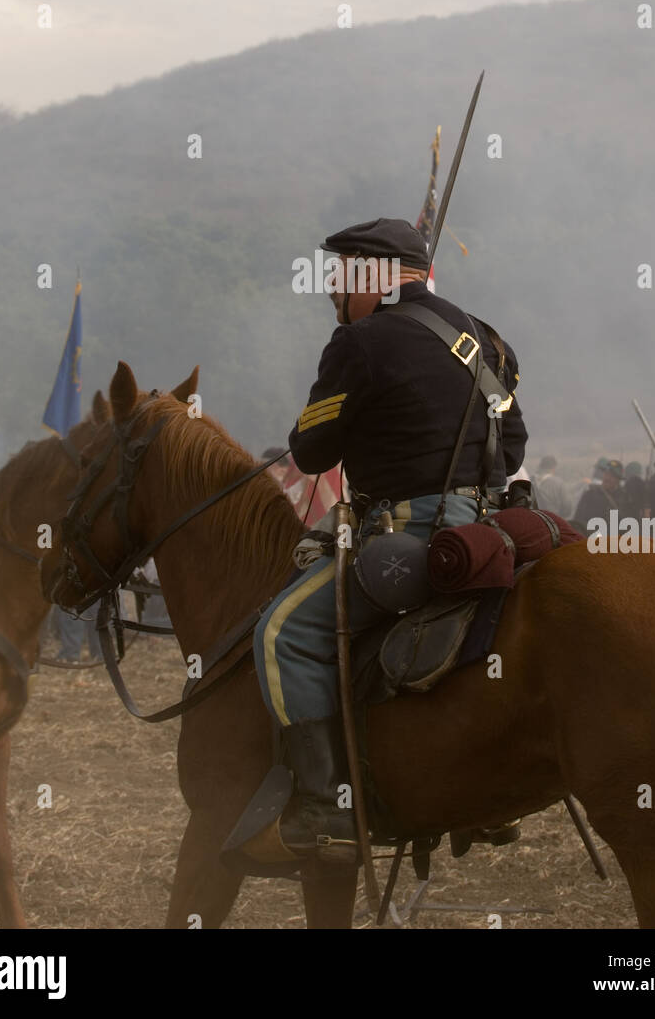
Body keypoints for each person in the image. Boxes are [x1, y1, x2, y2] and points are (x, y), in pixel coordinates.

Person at [251, 217, 527, 861]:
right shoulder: (481, 337)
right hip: (489, 529)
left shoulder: (362, 342)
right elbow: (513, 445)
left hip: (411, 532)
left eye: (338, 278)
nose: (332, 295)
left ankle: (323, 808)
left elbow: (312, 450)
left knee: (283, 633)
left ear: (367, 274)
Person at [572, 457, 625, 530]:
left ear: (618, 479)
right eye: (606, 474)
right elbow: (578, 521)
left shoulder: (624, 498)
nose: (607, 478)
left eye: (612, 476)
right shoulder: (590, 495)